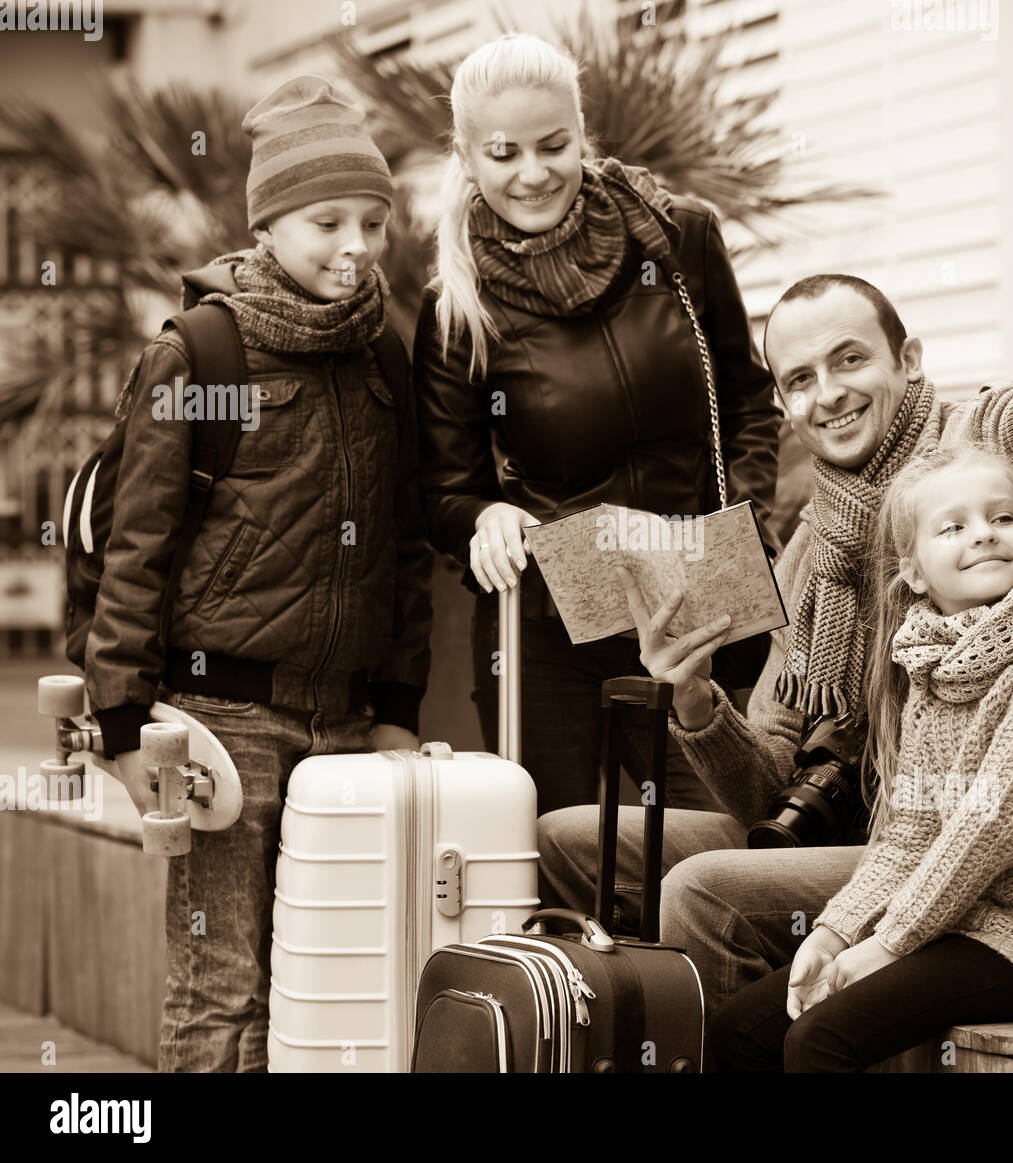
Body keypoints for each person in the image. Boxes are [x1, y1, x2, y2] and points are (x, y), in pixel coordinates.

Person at [538, 274, 1013, 1001]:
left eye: (850, 360)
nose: (829, 393)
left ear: (908, 358)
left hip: (960, 853)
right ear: (784, 403)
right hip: (848, 834)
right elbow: (764, 794)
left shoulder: (983, 451)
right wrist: (692, 698)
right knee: (567, 837)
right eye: (801, 379)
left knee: (699, 891)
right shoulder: (811, 548)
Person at [84, 76, 434, 1072]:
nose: (355, 244)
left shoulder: (382, 359)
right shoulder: (200, 350)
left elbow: (405, 547)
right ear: (270, 221)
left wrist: (397, 701)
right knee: (219, 977)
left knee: (326, 972)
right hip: (217, 720)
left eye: (373, 219)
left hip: (347, 724)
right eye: (327, 220)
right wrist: (123, 720)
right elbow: (136, 546)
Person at [414, 32, 781, 816]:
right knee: (556, 863)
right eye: (504, 153)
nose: (534, 172)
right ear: (467, 155)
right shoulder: (456, 302)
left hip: (695, 608)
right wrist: (484, 516)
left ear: (583, 131)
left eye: (555, 144)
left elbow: (749, 400)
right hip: (548, 633)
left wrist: (739, 524)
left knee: (707, 849)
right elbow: (444, 489)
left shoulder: (682, 238)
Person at [705, 444, 1013, 1070]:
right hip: (957, 927)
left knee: (819, 1039)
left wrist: (885, 945)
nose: (983, 536)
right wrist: (835, 933)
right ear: (912, 569)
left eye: (1003, 518)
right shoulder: (933, 671)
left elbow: (986, 830)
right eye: (953, 527)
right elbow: (908, 835)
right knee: (740, 1028)